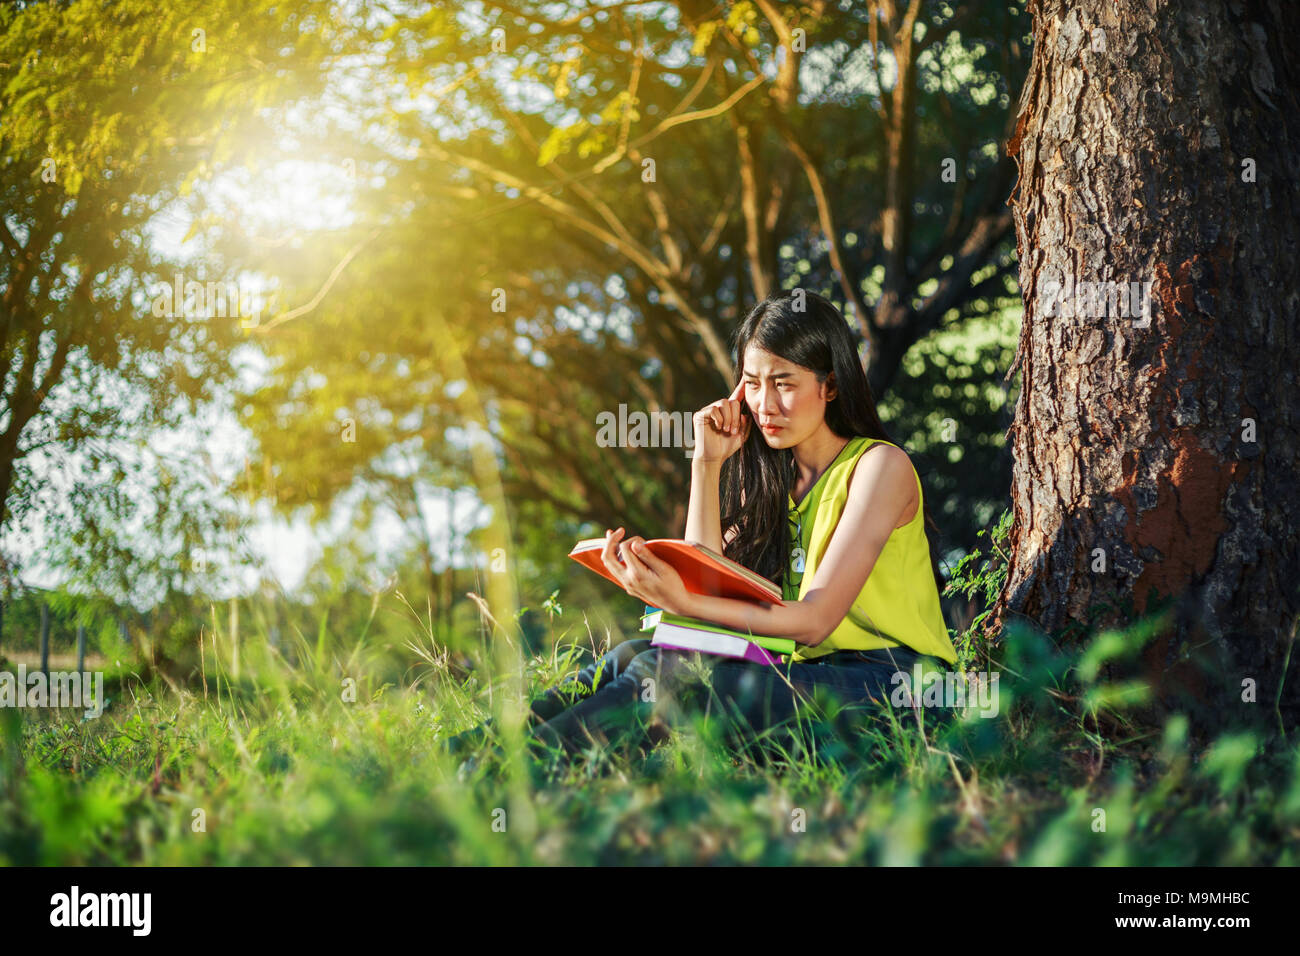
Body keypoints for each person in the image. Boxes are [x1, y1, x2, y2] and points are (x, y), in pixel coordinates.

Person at [445, 290, 959, 768]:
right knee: (638, 654)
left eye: (784, 383)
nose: (764, 404)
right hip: (812, 677)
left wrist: (684, 603)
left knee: (681, 675)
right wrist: (706, 465)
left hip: (898, 690)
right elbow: (706, 582)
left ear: (829, 385)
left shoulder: (879, 468)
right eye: (752, 384)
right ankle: (465, 757)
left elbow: (814, 622)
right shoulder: (767, 482)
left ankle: (520, 775)